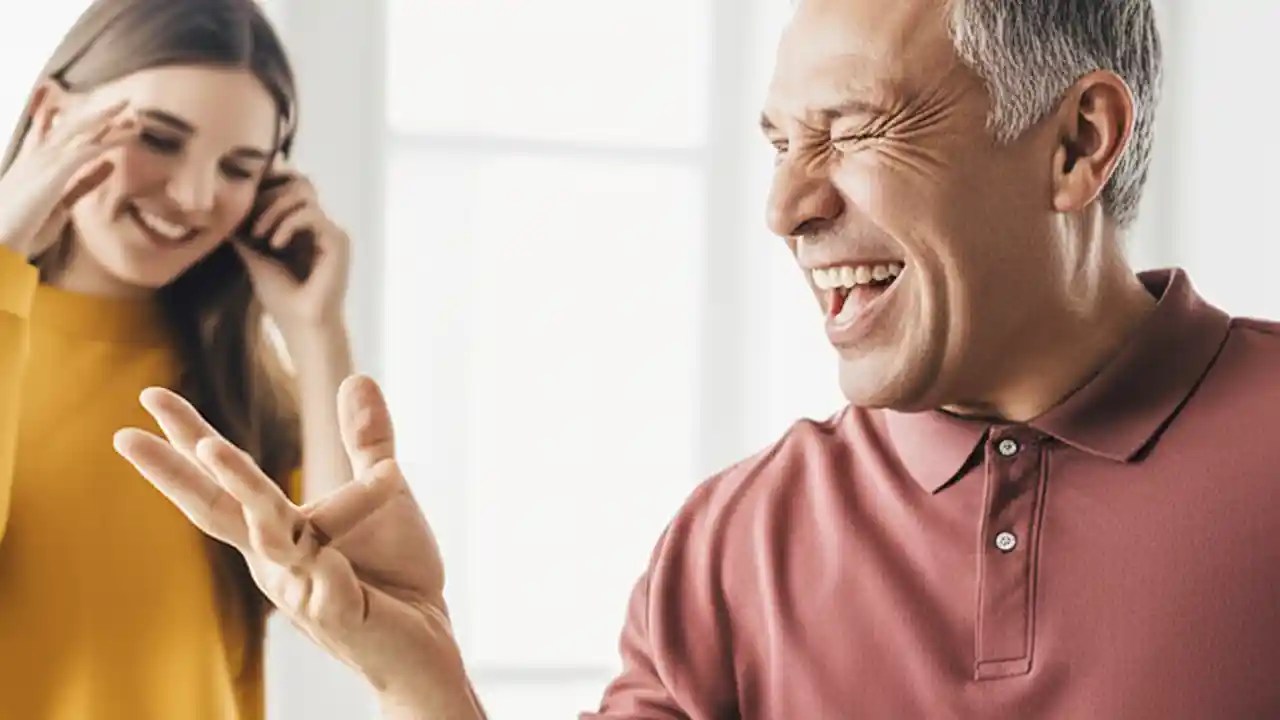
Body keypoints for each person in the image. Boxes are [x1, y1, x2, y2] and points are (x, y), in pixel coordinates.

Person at [114, 0, 1280, 718]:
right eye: (778, 142)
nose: (784, 204)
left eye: (855, 129)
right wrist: (419, 682)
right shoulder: (738, 539)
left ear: (1076, 143)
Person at [0, 0, 357, 718]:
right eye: (158, 138)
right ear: (50, 114)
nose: (195, 196)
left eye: (239, 168)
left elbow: (355, 602)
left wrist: (317, 333)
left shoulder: (242, 386)